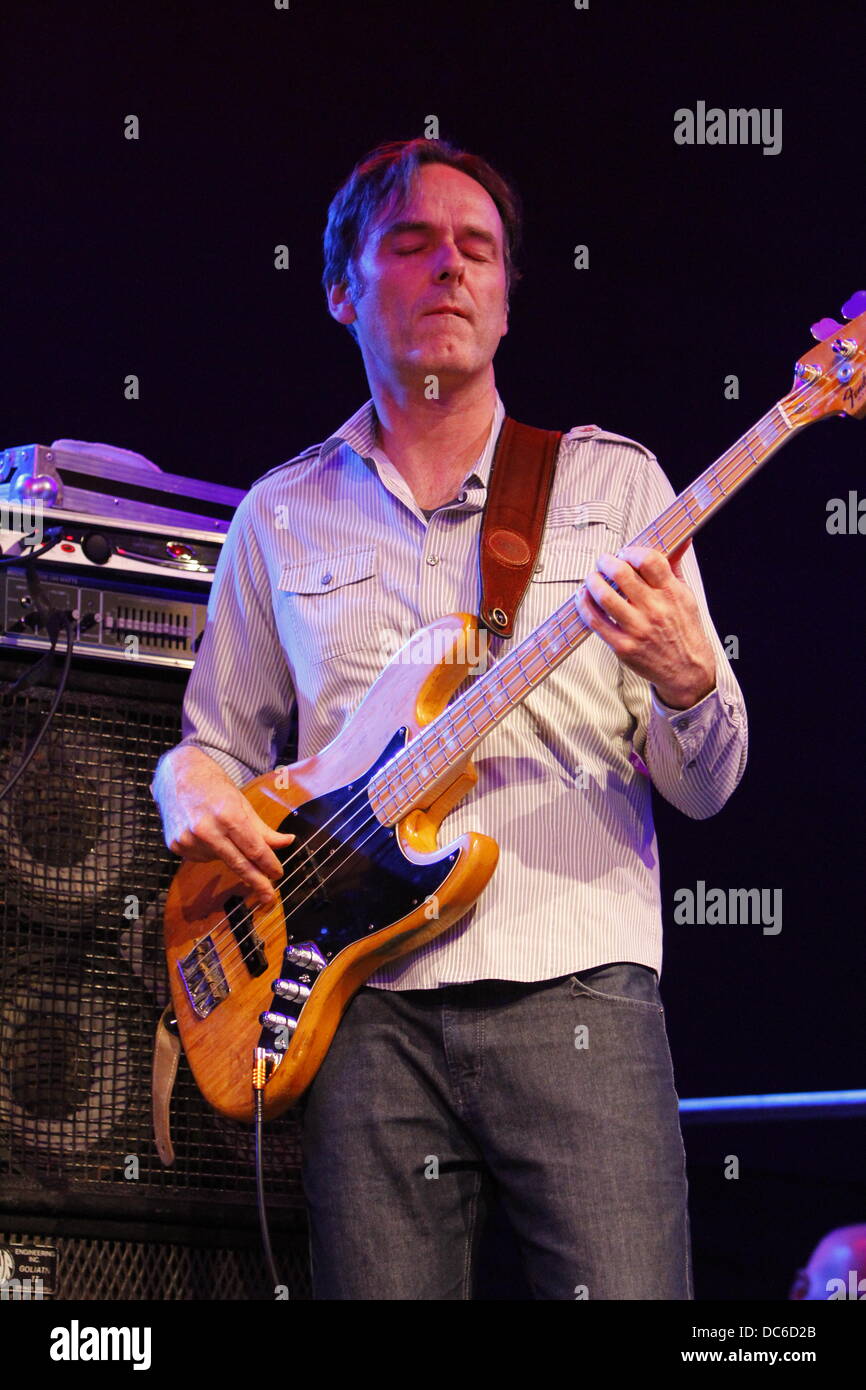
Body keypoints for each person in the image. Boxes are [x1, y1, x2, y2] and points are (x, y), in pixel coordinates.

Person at [151, 136, 747, 1300]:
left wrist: (688, 679)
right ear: (341, 289)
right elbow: (213, 744)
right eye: (412, 243)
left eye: (477, 249)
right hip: (358, 1011)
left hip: (577, 995)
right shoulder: (278, 514)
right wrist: (185, 783)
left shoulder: (615, 488)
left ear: (507, 302)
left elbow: (708, 781)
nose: (450, 267)